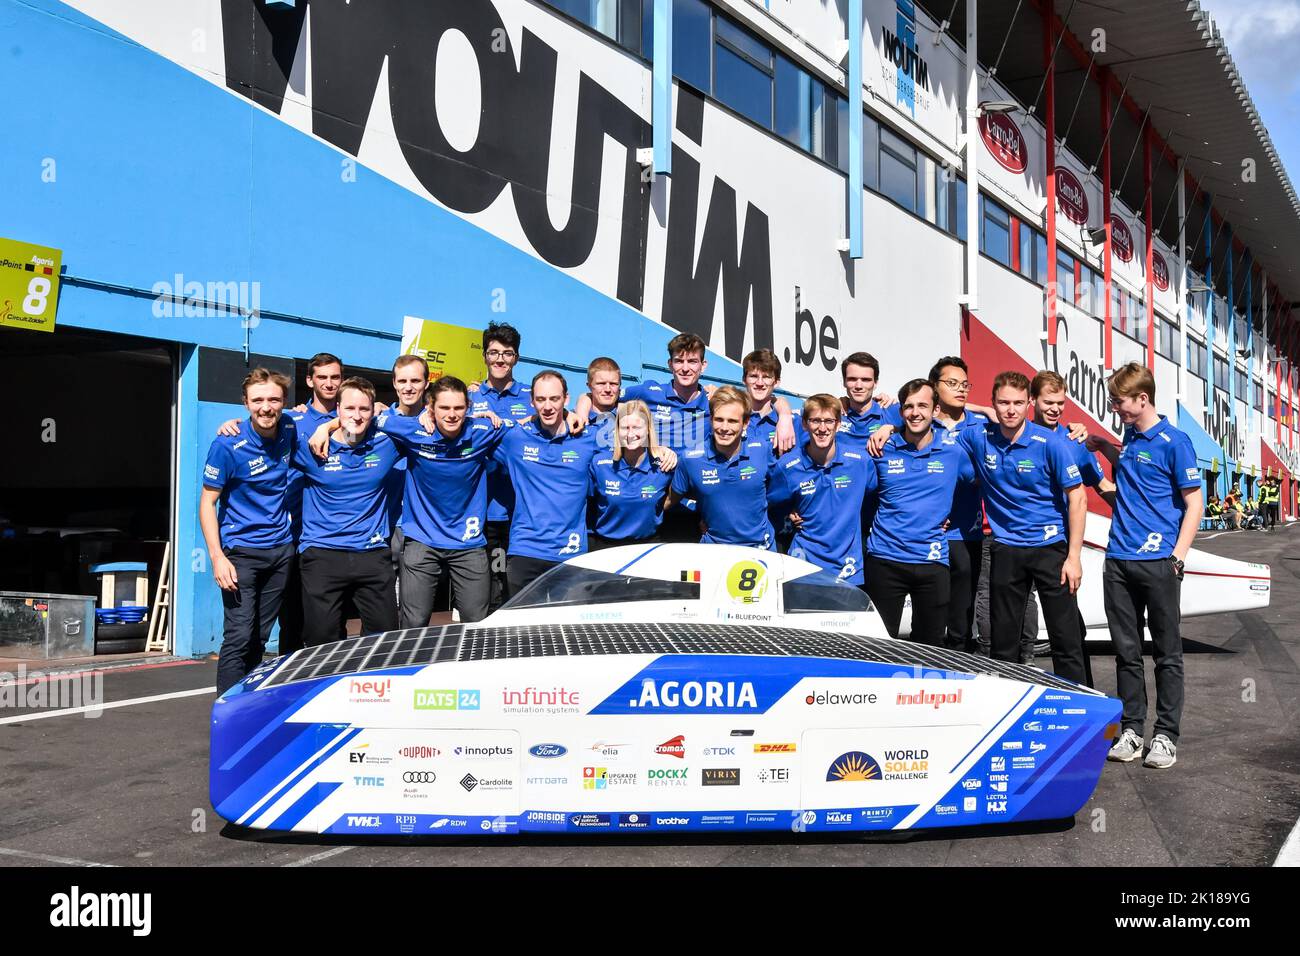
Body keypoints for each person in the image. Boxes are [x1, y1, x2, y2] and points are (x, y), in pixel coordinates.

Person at [1088, 362, 1202, 769]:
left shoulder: (1176, 442)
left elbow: (1194, 504)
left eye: (1119, 401)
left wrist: (1178, 558)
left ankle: (1166, 736)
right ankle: (1133, 730)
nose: (1115, 407)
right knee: (1126, 652)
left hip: (1159, 563)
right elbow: (1132, 478)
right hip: (1118, 560)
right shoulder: (1131, 437)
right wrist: (1103, 447)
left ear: (1142, 399)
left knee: (1167, 654)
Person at [957, 371, 1088, 681]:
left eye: (1018, 402)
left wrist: (1073, 558)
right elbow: (934, 425)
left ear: (1030, 403)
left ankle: (1081, 710)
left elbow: (1078, 498)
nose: (1011, 410)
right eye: (1003, 403)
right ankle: (1011, 708)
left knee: (1066, 640)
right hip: (1007, 550)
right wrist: (888, 425)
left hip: (1051, 550)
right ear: (993, 404)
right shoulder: (979, 437)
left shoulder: (1050, 443)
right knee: (1004, 644)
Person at [358, 376, 506, 626]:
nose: (451, 414)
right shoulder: (413, 429)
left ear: (468, 408)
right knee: (413, 625)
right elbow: (362, 418)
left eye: (458, 408)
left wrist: (569, 416)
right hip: (422, 541)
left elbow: (532, 424)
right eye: (444, 408)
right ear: (431, 408)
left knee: (477, 624)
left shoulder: (482, 432)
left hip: (468, 544)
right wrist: (324, 428)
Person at [201, 368, 298, 694]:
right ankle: (225, 712)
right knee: (239, 635)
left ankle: (249, 706)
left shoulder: (289, 427)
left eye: (273, 399)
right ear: (245, 403)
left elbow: (341, 417)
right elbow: (206, 503)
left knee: (260, 634)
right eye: (258, 400)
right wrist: (217, 557)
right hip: (241, 553)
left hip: (281, 550)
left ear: (284, 401)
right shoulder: (227, 444)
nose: (266, 407)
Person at [863, 379, 973, 643]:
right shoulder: (880, 448)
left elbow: (979, 484)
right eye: (909, 406)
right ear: (901, 413)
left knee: (930, 647)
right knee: (878, 647)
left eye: (923, 405)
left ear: (935, 410)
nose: (915, 412)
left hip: (932, 562)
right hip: (885, 559)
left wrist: (952, 518)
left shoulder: (953, 452)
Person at [297, 377, 402, 646]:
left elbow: (434, 421)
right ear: (338, 410)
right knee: (322, 642)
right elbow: (268, 431)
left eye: (364, 409)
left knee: (384, 641)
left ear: (373, 411)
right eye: (350, 409)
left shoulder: (387, 443)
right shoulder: (313, 447)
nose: (356, 416)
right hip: (322, 553)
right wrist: (234, 425)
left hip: (372, 554)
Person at [497, 370, 600, 595]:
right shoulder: (515, 438)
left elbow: (632, 437)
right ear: (532, 402)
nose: (547, 406)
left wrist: (659, 448)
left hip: (570, 553)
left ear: (566, 399)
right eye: (541, 399)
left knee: (568, 629)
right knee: (522, 630)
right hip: (525, 551)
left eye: (554, 399)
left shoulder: (588, 439)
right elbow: (464, 428)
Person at [768, 394, 878, 584]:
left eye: (828, 421)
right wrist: (789, 513)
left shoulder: (860, 463)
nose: (822, 428)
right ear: (804, 424)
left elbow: (874, 497)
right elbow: (772, 505)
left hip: (848, 568)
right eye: (815, 420)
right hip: (802, 565)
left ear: (838, 424)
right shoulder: (788, 467)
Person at [665, 386, 779, 549]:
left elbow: (781, 492)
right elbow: (671, 499)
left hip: (762, 548)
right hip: (715, 550)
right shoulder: (691, 458)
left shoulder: (762, 450)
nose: (724, 428)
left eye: (732, 421)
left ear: (745, 423)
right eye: (719, 419)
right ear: (711, 420)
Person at [472, 323, 536, 610]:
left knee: (518, 592)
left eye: (507, 354)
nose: (500, 359)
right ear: (484, 356)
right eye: (494, 353)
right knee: (484, 593)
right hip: (479, 512)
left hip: (521, 512)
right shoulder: (468, 398)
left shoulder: (533, 398)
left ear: (516, 358)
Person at [588, 400, 677, 550]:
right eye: (625, 428)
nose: (630, 434)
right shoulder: (600, 464)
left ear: (648, 429)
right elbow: (587, 505)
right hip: (604, 547)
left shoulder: (664, 465)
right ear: (617, 430)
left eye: (636, 427)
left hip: (647, 548)